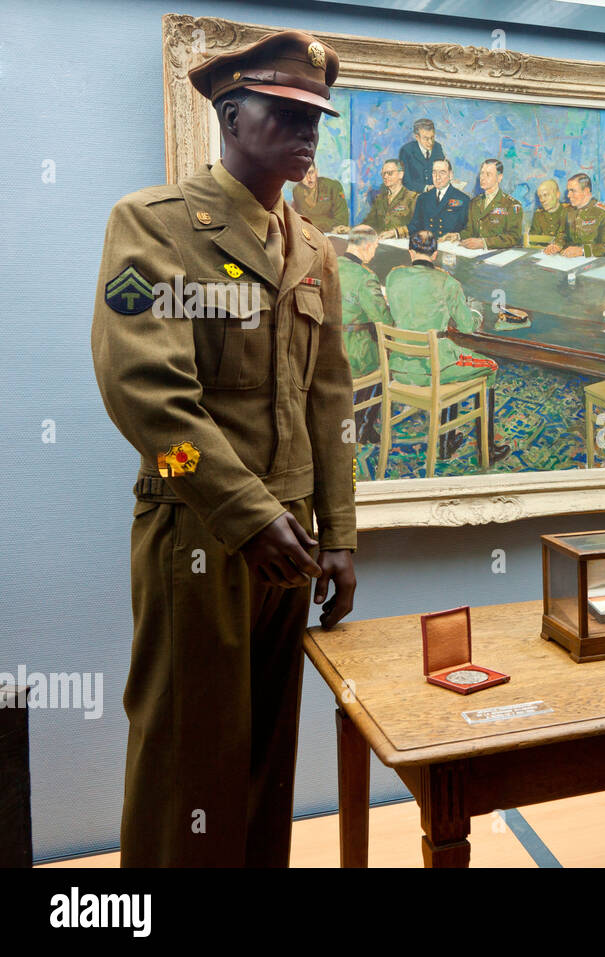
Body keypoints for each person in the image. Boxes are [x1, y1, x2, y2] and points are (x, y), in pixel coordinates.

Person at [90, 30, 357, 867]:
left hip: (292, 545)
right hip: (198, 535)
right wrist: (245, 515)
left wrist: (340, 536)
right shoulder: (155, 227)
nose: (307, 131)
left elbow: (332, 402)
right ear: (232, 114)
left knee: (265, 756)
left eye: (316, 115)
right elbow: (146, 400)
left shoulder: (311, 250)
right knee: (188, 759)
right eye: (285, 112)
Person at [385, 230, 511, 467]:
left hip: (399, 367)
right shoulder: (448, 283)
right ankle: (488, 449)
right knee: (490, 367)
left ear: (410, 251)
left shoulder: (393, 277)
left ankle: (446, 441)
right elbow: (466, 326)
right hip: (433, 368)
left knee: (452, 355)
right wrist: (475, 310)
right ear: (435, 254)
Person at [339, 225, 392, 444]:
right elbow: (384, 321)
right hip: (353, 354)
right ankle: (363, 425)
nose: (374, 252)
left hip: (326, 346)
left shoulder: (328, 265)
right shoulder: (365, 277)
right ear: (368, 246)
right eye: (375, 248)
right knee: (387, 360)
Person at [447, 159, 522, 250]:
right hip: (475, 255)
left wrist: (484, 243)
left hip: (500, 255)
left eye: (488, 174)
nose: (482, 177)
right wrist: (458, 236)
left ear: (499, 177)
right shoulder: (474, 202)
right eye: (482, 173)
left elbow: (513, 237)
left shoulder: (512, 205)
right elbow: (470, 231)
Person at [545, 173, 605, 257]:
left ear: (586, 191)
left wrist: (582, 251)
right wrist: (557, 245)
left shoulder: (604, 212)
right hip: (568, 259)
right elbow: (562, 234)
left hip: (593, 262)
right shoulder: (568, 210)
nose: (568, 195)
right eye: (568, 191)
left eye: (573, 191)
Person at [409, 158, 470, 241]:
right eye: (434, 172)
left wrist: (457, 236)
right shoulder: (423, 198)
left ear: (451, 175)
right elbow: (415, 226)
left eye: (442, 172)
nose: (437, 177)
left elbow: (468, 229)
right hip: (427, 245)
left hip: (450, 247)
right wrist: (396, 232)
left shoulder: (463, 199)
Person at [360, 159, 418, 239]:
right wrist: (351, 229)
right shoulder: (380, 199)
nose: (385, 177)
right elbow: (369, 223)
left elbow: (418, 225)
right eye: (383, 174)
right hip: (382, 245)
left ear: (401, 174)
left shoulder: (413, 198)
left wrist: (396, 232)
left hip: (403, 246)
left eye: (390, 173)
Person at [291, 160, 349, 233]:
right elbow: (299, 220)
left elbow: (342, 220)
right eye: (303, 175)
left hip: (332, 234)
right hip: (309, 235)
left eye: (311, 172)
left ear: (316, 171)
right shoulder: (297, 191)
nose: (309, 178)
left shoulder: (333, 187)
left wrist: (314, 225)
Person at [398, 118, 446, 195]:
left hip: (436, 193)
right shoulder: (406, 151)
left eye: (432, 137)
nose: (430, 142)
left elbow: (443, 169)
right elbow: (405, 180)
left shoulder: (437, 147)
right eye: (426, 138)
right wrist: (426, 188)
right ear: (417, 137)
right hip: (414, 195)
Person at [527, 178, 566, 248]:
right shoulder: (538, 215)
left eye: (545, 195)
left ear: (557, 194)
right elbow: (532, 241)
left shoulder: (568, 212)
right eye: (540, 196)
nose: (542, 200)